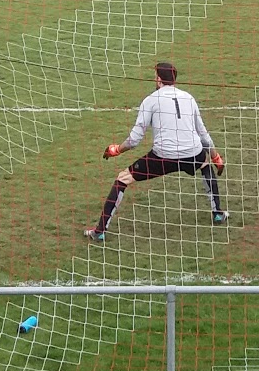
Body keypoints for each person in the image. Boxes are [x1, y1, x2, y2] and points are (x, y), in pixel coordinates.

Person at [86, 61, 226, 240]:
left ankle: (100, 232)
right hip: (192, 152)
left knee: (123, 178)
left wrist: (117, 150)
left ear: (159, 79)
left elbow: (135, 139)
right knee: (204, 163)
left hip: (163, 157)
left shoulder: (150, 100)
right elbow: (203, 135)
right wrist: (216, 157)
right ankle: (217, 213)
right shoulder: (189, 98)